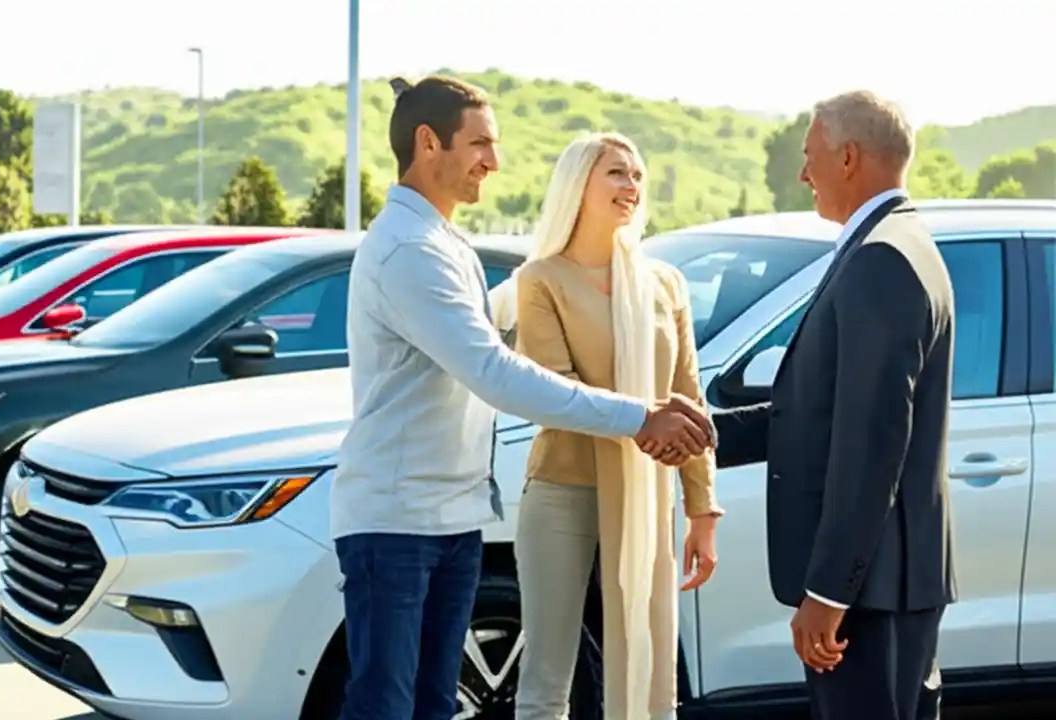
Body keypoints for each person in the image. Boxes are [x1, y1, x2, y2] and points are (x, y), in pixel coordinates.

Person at [330, 75, 715, 720]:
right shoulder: (407, 250)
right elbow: (497, 374)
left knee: (429, 705)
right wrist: (640, 414)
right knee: (384, 706)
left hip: (451, 517)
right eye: (480, 143)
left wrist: (700, 492)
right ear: (428, 143)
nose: (494, 161)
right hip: (396, 522)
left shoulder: (449, 244)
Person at [706, 90, 956, 720]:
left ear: (848, 157)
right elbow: (824, 414)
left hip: (872, 590)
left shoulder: (881, 260)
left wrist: (827, 592)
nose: (802, 173)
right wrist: (706, 435)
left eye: (809, 154)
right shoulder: (897, 243)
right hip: (885, 582)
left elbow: (872, 446)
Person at [509, 132, 723, 720]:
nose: (631, 187)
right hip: (563, 492)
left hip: (648, 494)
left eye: (637, 176)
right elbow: (555, 390)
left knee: (651, 666)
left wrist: (703, 509)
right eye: (617, 174)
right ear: (579, 183)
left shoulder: (664, 283)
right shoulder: (541, 281)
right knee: (548, 678)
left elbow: (689, 397)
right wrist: (643, 421)